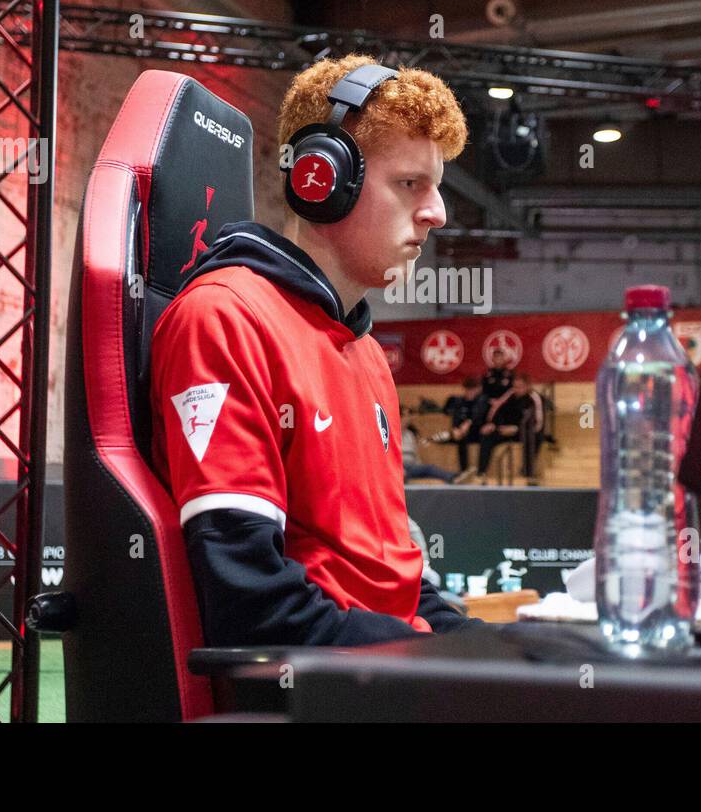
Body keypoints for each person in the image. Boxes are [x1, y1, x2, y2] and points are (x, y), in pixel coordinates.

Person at [150, 55, 480, 646]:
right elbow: (249, 603)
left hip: (379, 672)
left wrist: (475, 646)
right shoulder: (226, 319)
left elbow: (394, 576)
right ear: (321, 180)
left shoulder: (365, 351)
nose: (438, 212)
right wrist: (430, 660)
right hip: (317, 689)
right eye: (410, 184)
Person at [475, 372, 545, 484]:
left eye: (520, 387)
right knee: (486, 435)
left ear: (527, 386)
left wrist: (517, 429)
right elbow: (496, 409)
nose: (516, 389)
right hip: (506, 430)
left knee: (534, 437)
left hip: (524, 431)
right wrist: (492, 424)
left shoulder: (535, 398)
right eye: (515, 386)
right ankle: (481, 472)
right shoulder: (510, 394)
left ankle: (528, 474)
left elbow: (538, 424)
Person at [440, 376, 486, 482]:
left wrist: (468, 423)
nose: (470, 392)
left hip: (477, 432)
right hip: (463, 433)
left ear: (478, 389)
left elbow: (478, 415)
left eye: (472, 389)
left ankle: (481, 471)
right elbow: (456, 416)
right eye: (468, 389)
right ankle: (464, 471)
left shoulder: (482, 400)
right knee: (459, 438)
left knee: (483, 437)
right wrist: (455, 429)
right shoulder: (459, 401)